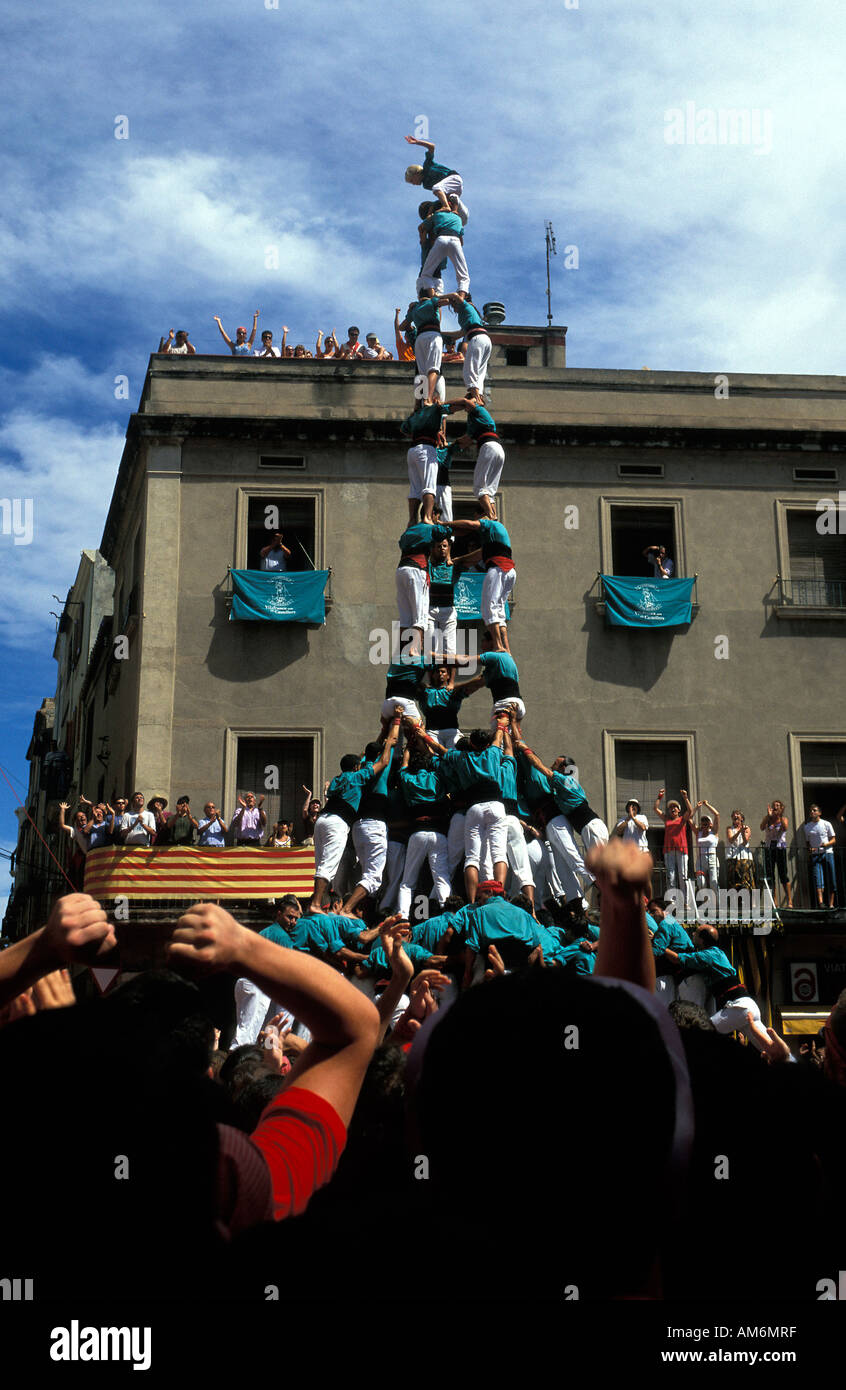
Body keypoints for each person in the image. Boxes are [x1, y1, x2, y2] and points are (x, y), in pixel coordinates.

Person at [310, 716, 402, 913]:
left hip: (324, 820)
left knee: (323, 866)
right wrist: (394, 724)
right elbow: (384, 761)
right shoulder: (358, 776)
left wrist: (383, 729)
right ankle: (324, 906)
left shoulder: (337, 778)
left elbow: (365, 756)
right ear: (356, 767)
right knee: (341, 870)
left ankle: (324, 905)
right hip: (343, 822)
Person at [449, 513, 514, 651]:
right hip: (509, 571)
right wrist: (458, 560)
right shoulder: (493, 540)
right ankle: (506, 648)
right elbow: (476, 556)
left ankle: (497, 645)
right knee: (499, 608)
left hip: (498, 568)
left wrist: (444, 524)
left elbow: (469, 525)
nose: (478, 522)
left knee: (488, 608)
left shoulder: (492, 525)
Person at [395, 519, 452, 656]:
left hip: (401, 570)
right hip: (416, 569)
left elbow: (401, 543)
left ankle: (403, 649)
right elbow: (447, 532)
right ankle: (414, 649)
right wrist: (442, 524)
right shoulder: (429, 528)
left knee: (405, 615)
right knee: (420, 614)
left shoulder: (410, 530)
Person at [445, 391, 504, 518]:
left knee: (479, 489)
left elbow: (465, 402)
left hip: (488, 447)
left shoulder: (479, 411)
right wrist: (450, 446)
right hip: (497, 449)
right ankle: (493, 516)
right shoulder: (475, 419)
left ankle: (492, 517)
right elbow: (466, 440)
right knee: (489, 491)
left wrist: (442, 405)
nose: (465, 408)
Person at [400, 399, 449, 526]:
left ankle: (412, 520)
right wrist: (440, 404)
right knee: (429, 485)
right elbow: (454, 405)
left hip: (412, 450)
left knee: (415, 488)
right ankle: (427, 517)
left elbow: (404, 429)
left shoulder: (416, 414)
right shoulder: (434, 409)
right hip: (426, 448)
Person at [399, 289, 443, 406]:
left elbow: (401, 327)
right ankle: (428, 398)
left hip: (420, 338)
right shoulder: (432, 302)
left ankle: (418, 405)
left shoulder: (415, 308)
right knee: (433, 368)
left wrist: (411, 310)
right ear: (431, 295)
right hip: (433, 334)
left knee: (422, 373)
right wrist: (438, 297)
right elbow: (446, 301)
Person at [441, 293, 490, 393]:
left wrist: (436, 297)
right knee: (479, 373)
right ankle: (478, 396)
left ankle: (475, 395)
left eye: (453, 305)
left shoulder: (466, 305)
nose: (453, 309)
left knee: (468, 371)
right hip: (485, 340)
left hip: (476, 338)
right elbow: (460, 333)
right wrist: (440, 332)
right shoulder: (470, 313)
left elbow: (455, 295)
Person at [417, 201, 469, 297]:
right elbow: (461, 243)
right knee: (463, 276)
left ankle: (434, 298)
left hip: (435, 274)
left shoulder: (437, 217)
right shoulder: (457, 218)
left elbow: (422, 228)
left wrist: (431, 213)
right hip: (455, 240)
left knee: (425, 275)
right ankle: (461, 297)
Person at [404, 134, 464, 211]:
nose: (413, 184)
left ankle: (446, 207)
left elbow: (432, 146)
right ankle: (453, 211)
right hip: (453, 191)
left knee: (436, 188)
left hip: (454, 179)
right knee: (443, 200)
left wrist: (417, 142)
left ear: (416, 173)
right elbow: (441, 194)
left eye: (412, 180)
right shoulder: (426, 185)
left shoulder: (427, 165)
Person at [653, 788, 693, 891]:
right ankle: (672, 902)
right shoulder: (667, 819)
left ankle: (685, 901)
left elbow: (690, 810)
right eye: (671, 807)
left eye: (675, 807)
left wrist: (685, 797)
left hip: (681, 850)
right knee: (671, 876)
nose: (673, 809)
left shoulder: (682, 819)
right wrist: (659, 797)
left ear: (679, 810)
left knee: (683, 876)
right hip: (668, 851)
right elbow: (655, 809)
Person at [802, 804, 837, 907]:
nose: (812, 812)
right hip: (815, 855)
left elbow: (834, 839)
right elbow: (808, 842)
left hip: (827, 853)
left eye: (814, 810)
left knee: (831, 877)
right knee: (818, 878)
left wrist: (826, 844)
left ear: (819, 813)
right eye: (811, 810)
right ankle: (821, 903)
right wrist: (810, 849)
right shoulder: (807, 827)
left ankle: (831, 904)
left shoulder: (826, 824)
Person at [761, 800, 793, 907]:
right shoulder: (768, 820)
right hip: (769, 849)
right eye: (774, 806)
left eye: (778, 806)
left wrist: (779, 816)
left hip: (780, 848)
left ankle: (789, 901)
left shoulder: (783, 819)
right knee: (771, 876)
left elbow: (785, 828)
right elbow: (761, 827)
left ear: (782, 808)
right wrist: (768, 816)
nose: (775, 808)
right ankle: (775, 901)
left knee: (783, 874)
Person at [58, 802, 91, 889]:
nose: (82, 817)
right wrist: (62, 810)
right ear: (76, 822)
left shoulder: (92, 826)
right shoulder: (75, 831)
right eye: (79, 817)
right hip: (88, 858)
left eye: (83, 815)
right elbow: (62, 825)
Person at [725, 808, 755, 893]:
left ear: (742, 818)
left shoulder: (747, 828)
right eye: (734, 815)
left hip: (745, 857)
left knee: (747, 879)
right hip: (732, 857)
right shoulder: (729, 829)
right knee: (733, 879)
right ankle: (735, 901)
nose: (735, 816)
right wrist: (739, 832)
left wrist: (742, 831)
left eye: (738, 814)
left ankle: (752, 901)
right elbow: (731, 840)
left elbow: (745, 842)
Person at [694, 799, 720, 892]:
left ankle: (717, 904)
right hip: (701, 859)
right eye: (703, 822)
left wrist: (707, 805)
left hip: (712, 858)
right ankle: (706, 902)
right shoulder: (698, 832)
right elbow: (689, 819)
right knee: (701, 883)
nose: (705, 823)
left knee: (713, 882)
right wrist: (697, 807)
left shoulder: (714, 832)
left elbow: (717, 814)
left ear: (710, 824)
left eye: (707, 822)